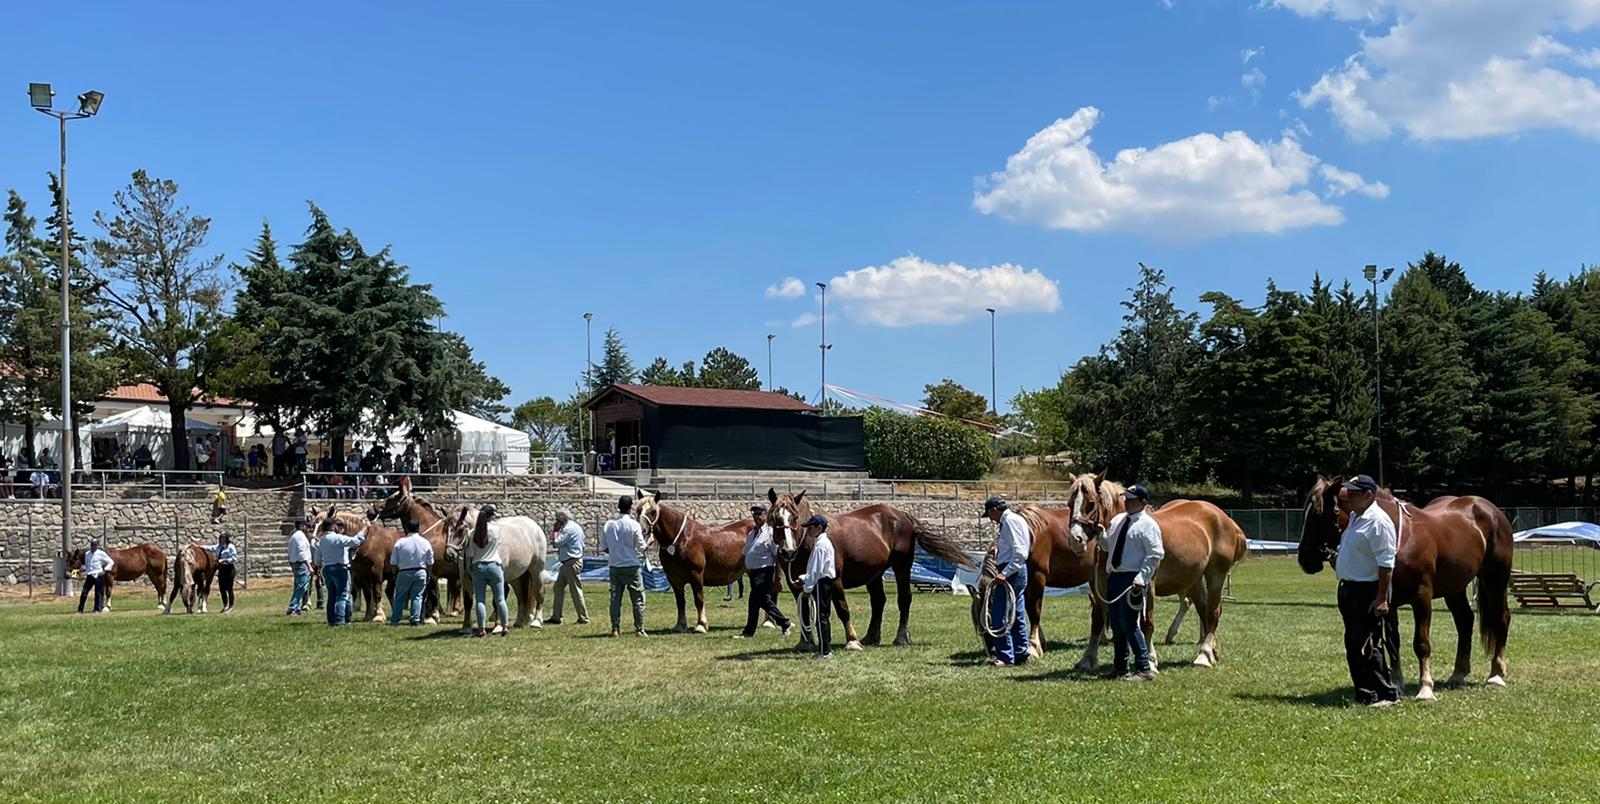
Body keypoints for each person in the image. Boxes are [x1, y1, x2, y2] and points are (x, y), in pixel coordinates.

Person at [1334, 474, 1401, 708]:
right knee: (1353, 644)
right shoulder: (1355, 517)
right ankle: (1365, 693)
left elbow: (1386, 563)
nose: (1348, 497)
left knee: (1369, 645)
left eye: (1353, 493)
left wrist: (1382, 598)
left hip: (1368, 590)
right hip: (1349, 589)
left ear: (1368, 495)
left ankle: (1386, 694)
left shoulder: (1378, 522)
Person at [1103, 484, 1165, 682]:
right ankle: (1120, 667)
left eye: (1131, 499)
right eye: (1126, 499)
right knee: (1116, 625)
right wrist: (1100, 535)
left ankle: (1144, 667)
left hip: (1132, 579)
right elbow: (1108, 546)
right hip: (1115, 577)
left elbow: (1155, 554)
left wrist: (1141, 578)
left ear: (1142, 502)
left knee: (1130, 624)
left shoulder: (1148, 525)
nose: (1126, 502)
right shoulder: (1118, 520)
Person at [981, 496, 1032, 668]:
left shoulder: (1009, 521)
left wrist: (1005, 573)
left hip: (1012, 572)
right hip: (1015, 570)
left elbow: (1020, 552)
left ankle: (1005, 655)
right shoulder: (1015, 520)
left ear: (993, 511)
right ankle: (1021, 652)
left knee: (999, 614)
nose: (991, 520)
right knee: (1016, 613)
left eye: (989, 515)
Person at [737, 505, 792, 639]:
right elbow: (746, 552)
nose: (756, 517)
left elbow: (776, 554)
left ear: (766, 515)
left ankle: (749, 631)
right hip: (753, 573)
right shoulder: (752, 533)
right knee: (763, 600)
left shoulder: (770, 533)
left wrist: (777, 576)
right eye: (754, 514)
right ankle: (784, 623)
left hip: (764, 571)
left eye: (759, 513)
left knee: (755, 600)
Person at [601, 495, 649, 637]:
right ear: (630, 508)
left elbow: (604, 547)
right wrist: (650, 541)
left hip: (615, 566)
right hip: (631, 566)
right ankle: (639, 628)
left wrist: (615, 552)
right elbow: (641, 547)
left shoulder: (609, 524)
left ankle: (615, 629)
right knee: (638, 598)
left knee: (615, 599)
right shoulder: (634, 525)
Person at [464, 505, 509, 637]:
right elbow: (499, 544)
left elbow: (470, 553)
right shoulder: (496, 530)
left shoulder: (472, 533)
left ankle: (481, 629)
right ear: (491, 516)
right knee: (500, 599)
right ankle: (505, 626)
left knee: (480, 600)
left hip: (478, 566)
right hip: (494, 565)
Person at [317, 518, 367, 626]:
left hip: (327, 568)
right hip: (340, 568)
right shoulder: (338, 538)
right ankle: (341, 620)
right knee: (343, 595)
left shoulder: (321, 540)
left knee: (332, 595)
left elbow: (317, 559)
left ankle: (332, 620)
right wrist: (364, 529)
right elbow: (355, 541)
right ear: (332, 527)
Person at [801, 515, 837, 660]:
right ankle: (825, 649)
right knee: (822, 616)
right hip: (823, 581)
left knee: (820, 617)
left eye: (810, 527)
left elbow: (816, 570)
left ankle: (825, 651)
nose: (808, 530)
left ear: (819, 528)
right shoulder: (822, 543)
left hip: (821, 583)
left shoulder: (821, 545)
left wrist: (807, 588)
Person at [388, 518, 435, 627]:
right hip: (420, 571)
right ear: (418, 528)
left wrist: (395, 573)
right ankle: (415, 619)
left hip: (404, 571)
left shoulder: (400, 542)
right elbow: (430, 561)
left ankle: (395, 620)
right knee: (417, 596)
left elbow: (393, 561)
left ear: (407, 529)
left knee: (399, 597)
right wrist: (428, 573)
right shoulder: (425, 542)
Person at [547, 508, 589, 625]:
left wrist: (555, 531)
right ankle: (556, 616)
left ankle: (584, 617)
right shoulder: (576, 526)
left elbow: (557, 543)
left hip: (571, 563)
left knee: (576, 591)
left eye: (557, 519)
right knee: (558, 588)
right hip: (567, 563)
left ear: (561, 519)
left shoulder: (568, 529)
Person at [200, 534, 239, 613]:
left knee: (229, 588)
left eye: (224, 538)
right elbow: (210, 548)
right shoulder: (218, 547)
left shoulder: (231, 547)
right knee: (222, 589)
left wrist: (224, 560)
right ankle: (225, 605)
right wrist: (199, 546)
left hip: (229, 569)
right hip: (222, 569)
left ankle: (231, 606)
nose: (222, 540)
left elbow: (234, 558)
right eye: (221, 538)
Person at [77, 539, 115, 614]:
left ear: (97, 545)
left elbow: (111, 562)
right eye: (92, 545)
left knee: (98, 593)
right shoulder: (87, 554)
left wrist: (105, 570)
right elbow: (87, 565)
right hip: (90, 575)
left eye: (94, 545)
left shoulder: (101, 553)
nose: (93, 546)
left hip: (98, 575)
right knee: (84, 592)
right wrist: (82, 569)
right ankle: (80, 609)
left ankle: (97, 609)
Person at [286, 516, 313, 615]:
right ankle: (292, 607)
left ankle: (297, 607)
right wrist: (309, 565)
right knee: (301, 587)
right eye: (306, 525)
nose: (308, 528)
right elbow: (302, 552)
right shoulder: (300, 536)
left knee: (299, 586)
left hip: (295, 563)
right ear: (301, 526)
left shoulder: (293, 536)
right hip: (301, 564)